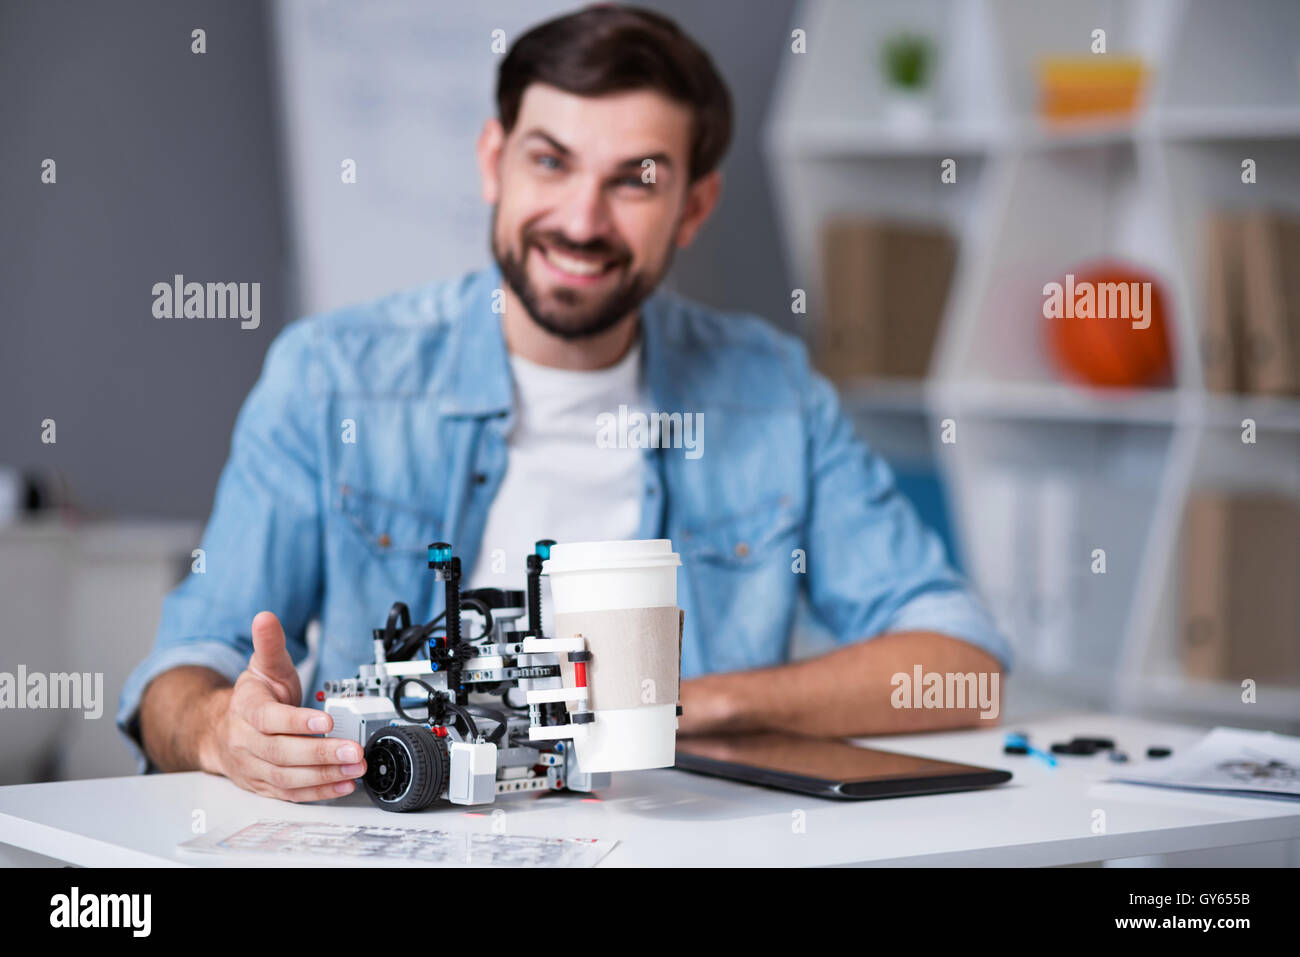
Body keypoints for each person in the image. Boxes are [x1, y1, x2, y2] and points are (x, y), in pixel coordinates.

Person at [118, 5, 1010, 804]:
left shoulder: (772, 394)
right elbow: (178, 673)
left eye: (636, 179)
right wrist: (222, 730)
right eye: (550, 161)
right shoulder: (330, 377)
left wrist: (687, 701)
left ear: (694, 205)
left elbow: (964, 667)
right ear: (493, 161)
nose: (582, 221)